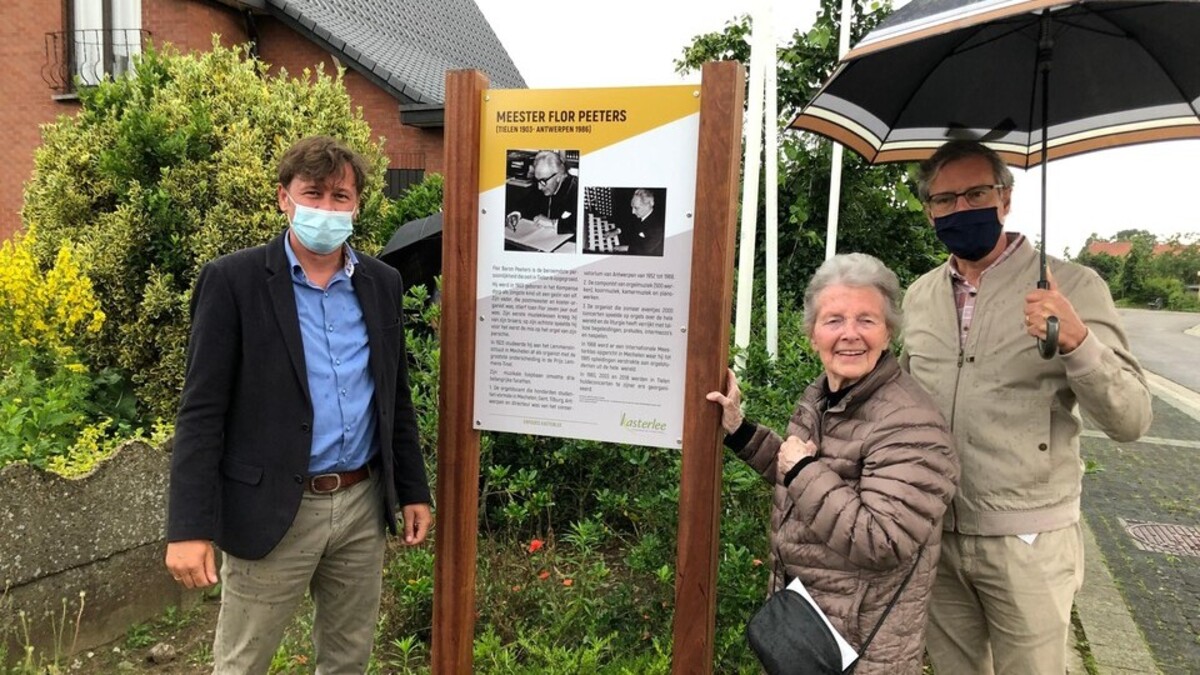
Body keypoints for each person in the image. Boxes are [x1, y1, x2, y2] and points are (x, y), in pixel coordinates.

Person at [164, 135, 432, 674]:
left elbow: (393, 395)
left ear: (357, 206)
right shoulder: (233, 281)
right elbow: (201, 413)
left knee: (347, 659)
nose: (326, 210)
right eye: (312, 194)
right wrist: (188, 528)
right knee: (243, 662)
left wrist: (413, 491)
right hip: (273, 509)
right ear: (284, 198)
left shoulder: (382, 283)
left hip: (360, 502)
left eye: (340, 197)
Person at [901, 140, 1152, 675]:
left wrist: (1077, 339)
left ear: (1006, 198)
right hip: (938, 538)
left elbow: (1131, 419)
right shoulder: (919, 297)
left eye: (976, 193)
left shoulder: (1076, 286)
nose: (960, 209)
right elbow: (898, 406)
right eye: (944, 200)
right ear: (928, 211)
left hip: (1029, 542)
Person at [707, 253, 959, 674]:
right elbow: (806, 478)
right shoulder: (822, 396)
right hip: (810, 624)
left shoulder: (911, 423)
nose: (850, 335)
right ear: (812, 334)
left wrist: (804, 471)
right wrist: (740, 431)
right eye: (834, 320)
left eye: (866, 320)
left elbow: (884, 539)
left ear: (889, 333)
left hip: (860, 647)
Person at [508, 150, 578, 236]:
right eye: (537, 180)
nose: (539, 187)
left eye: (543, 181)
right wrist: (516, 214)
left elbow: (581, 224)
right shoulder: (542, 183)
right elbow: (525, 203)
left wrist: (553, 223)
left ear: (558, 176)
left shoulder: (575, 189)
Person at [623, 188, 664, 256]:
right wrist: (618, 231)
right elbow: (630, 226)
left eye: (636, 208)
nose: (632, 212)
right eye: (632, 207)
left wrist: (625, 248)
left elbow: (645, 250)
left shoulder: (657, 228)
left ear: (648, 205)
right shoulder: (640, 214)